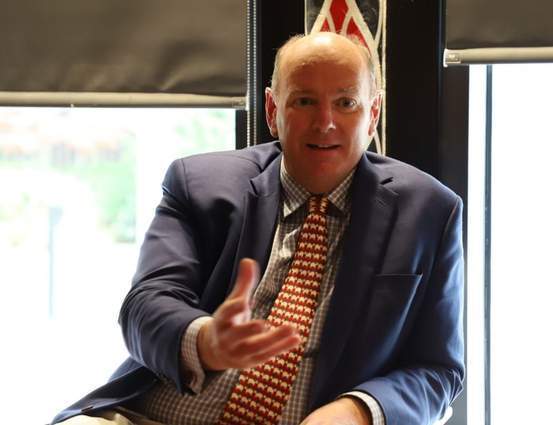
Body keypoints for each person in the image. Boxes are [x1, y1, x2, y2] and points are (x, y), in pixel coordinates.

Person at [52, 32, 464, 425]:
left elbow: (438, 369)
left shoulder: (429, 212)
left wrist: (359, 411)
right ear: (272, 111)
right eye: (304, 101)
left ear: (372, 113)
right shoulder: (199, 184)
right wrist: (204, 340)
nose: (325, 122)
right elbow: (145, 304)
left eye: (345, 103)